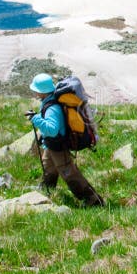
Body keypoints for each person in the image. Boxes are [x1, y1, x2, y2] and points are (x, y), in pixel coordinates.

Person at [26, 73, 105, 207]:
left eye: (36, 90)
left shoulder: (52, 108)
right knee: (48, 165)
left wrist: (36, 119)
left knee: (68, 173)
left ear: (42, 92)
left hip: (58, 145)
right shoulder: (50, 101)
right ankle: (47, 187)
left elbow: (52, 129)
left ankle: (93, 199)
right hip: (52, 144)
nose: (34, 92)